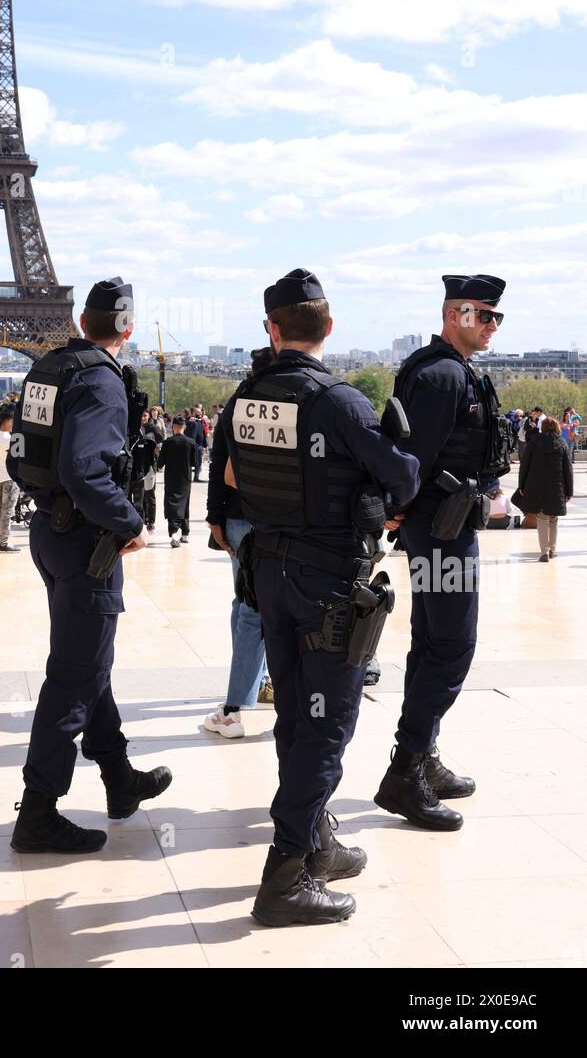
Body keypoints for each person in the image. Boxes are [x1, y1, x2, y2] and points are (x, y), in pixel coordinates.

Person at [220, 269, 419, 927]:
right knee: (325, 727)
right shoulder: (339, 400)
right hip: (327, 582)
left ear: (270, 329)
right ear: (327, 328)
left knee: (296, 719)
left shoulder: (244, 397)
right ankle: (282, 882)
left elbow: (226, 474)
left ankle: (315, 843)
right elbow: (402, 477)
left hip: (268, 574)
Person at [8, 278, 172, 854]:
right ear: (128, 327)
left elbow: (19, 453)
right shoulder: (101, 379)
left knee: (87, 661)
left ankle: (118, 775)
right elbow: (85, 470)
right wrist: (130, 521)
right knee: (75, 675)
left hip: (50, 533)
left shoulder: (48, 369)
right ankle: (38, 812)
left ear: (82, 319)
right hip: (86, 542)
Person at [374, 274, 511, 831]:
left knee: (433, 643)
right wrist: (397, 508)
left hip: (441, 526)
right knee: (452, 644)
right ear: (455, 315)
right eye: (483, 315)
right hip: (442, 530)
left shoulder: (444, 369)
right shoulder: (440, 376)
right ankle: (407, 771)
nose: (492, 326)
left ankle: (423, 755)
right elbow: (412, 458)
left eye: (497, 316)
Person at [204, 346, 272, 738]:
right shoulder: (295, 399)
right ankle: (243, 697)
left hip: (237, 518)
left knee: (244, 604)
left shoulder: (238, 403)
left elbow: (218, 462)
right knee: (256, 609)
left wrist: (215, 517)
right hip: (273, 519)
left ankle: (244, 692)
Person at [517, 416, 573, 561]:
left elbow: (525, 465)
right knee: (553, 518)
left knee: (541, 517)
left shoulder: (534, 442)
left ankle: (543, 552)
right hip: (557, 486)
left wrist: (521, 485)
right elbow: (568, 469)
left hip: (536, 484)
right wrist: (569, 491)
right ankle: (553, 550)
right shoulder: (562, 443)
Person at [157, 417, 195, 546]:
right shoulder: (191, 442)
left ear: (173, 427)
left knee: (171, 503)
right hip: (186, 478)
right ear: (185, 427)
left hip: (171, 478)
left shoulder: (168, 442)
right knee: (185, 504)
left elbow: (160, 463)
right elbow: (195, 462)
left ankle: (173, 534)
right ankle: (185, 534)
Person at [0, 404, 20, 552]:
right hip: (9, 477)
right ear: (8, 421)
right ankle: (4, 542)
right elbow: (20, 457)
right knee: (7, 511)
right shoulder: (9, 438)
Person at [130, 409, 159, 532]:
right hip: (136, 469)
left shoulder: (153, 429)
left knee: (149, 495)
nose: (143, 418)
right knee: (138, 497)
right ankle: (141, 520)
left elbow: (160, 445)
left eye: (145, 415)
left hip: (149, 467)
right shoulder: (133, 429)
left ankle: (151, 522)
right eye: (141, 415)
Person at [184, 406, 206, 481]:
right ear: (193, 413)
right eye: (197, 412)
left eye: (200, 412)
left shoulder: (201, 421)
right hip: (192, 445)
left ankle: (196, 477)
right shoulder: (190, 421)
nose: (199, 414)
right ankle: (187, 477)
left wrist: (205, 445)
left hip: (200, 445)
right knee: (190, 461)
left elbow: (203, 433)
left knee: (199, 462)